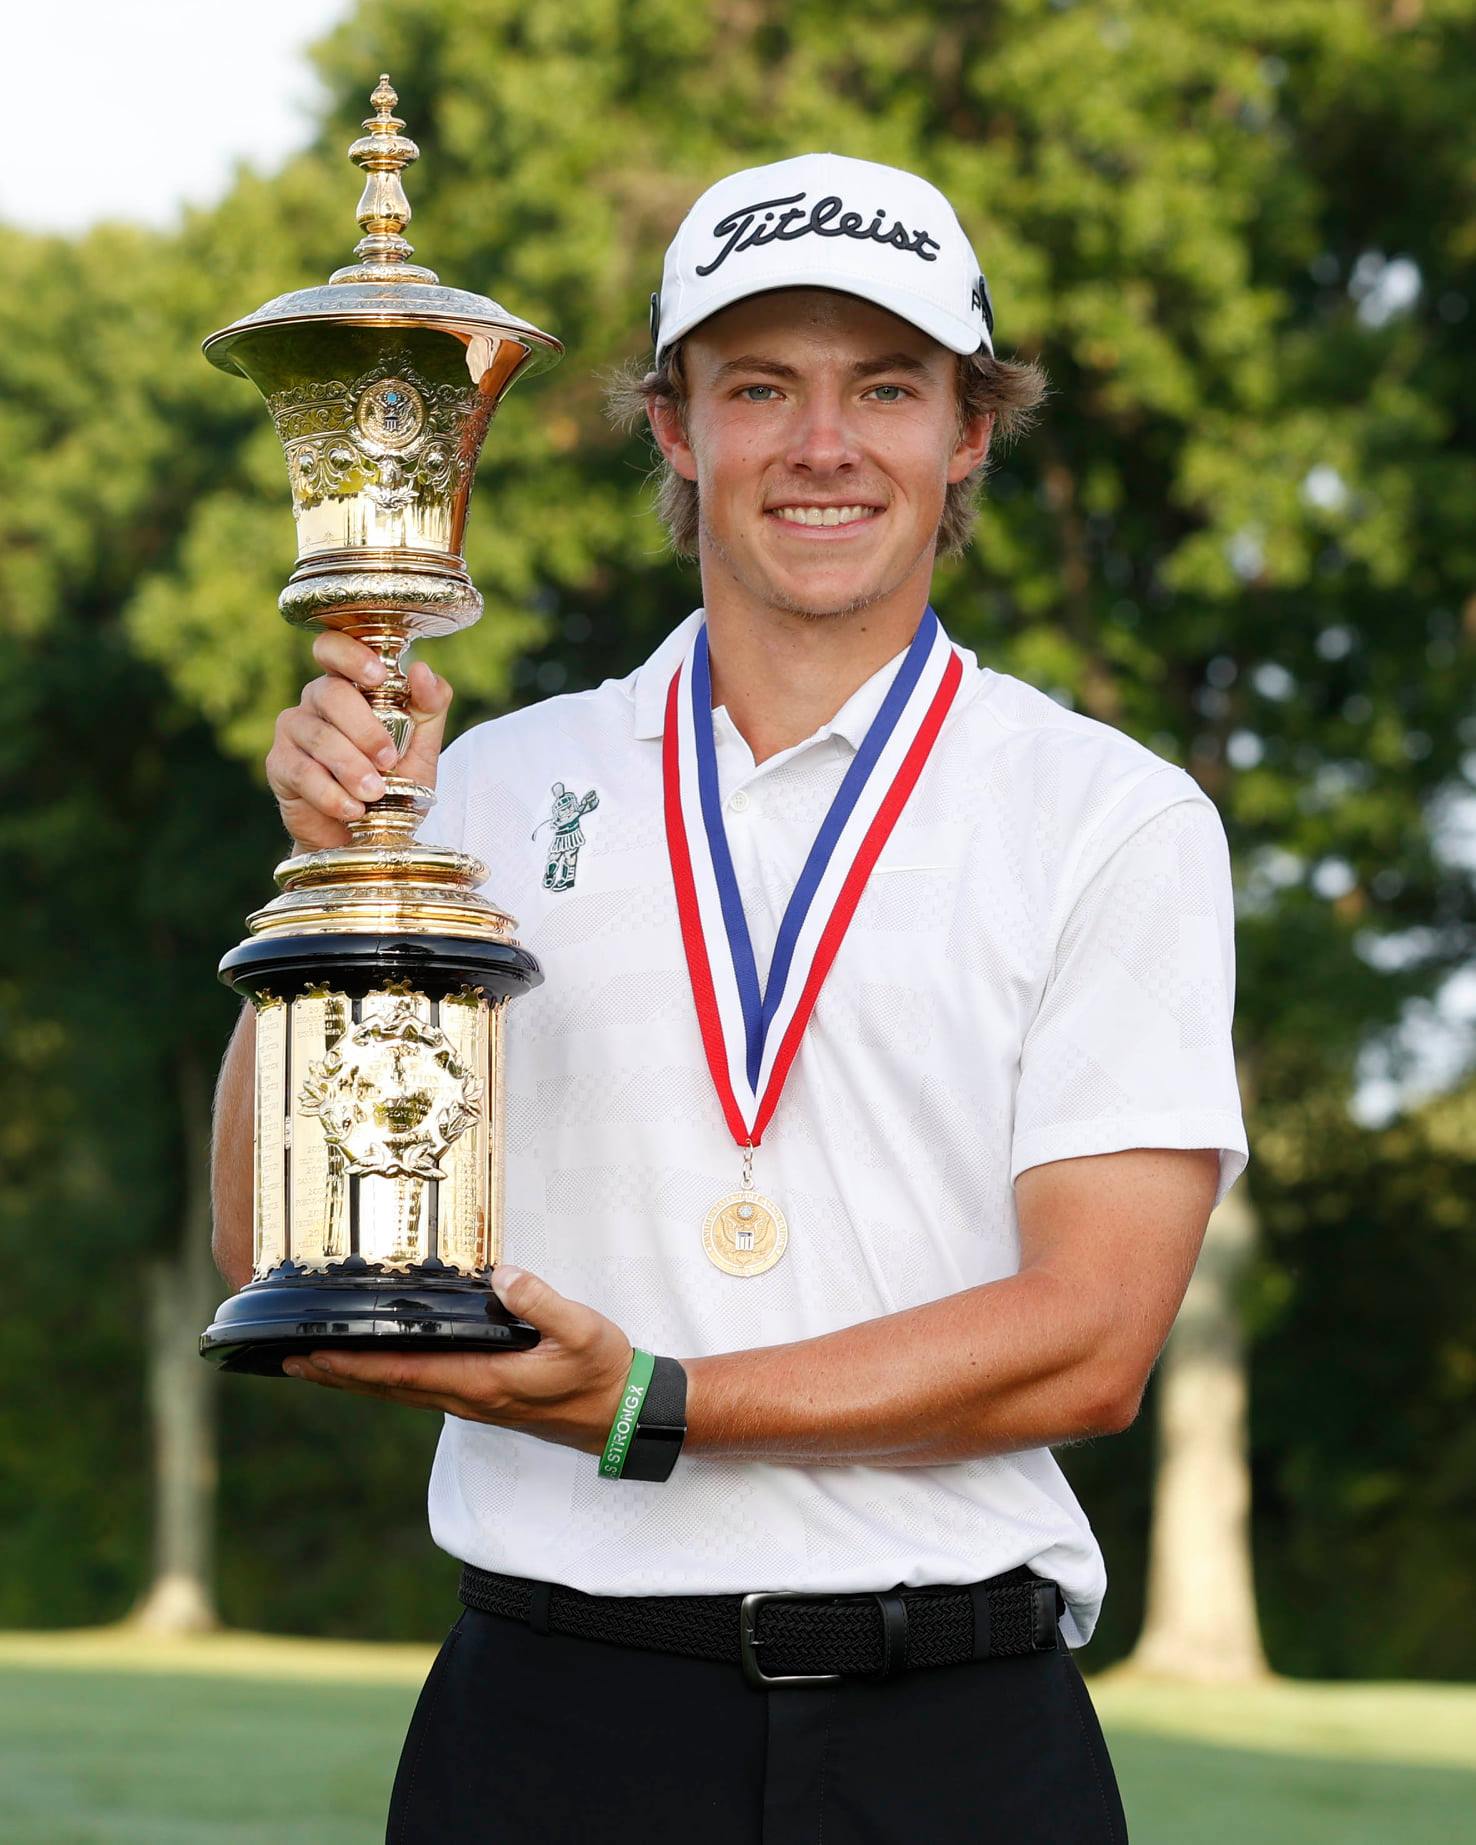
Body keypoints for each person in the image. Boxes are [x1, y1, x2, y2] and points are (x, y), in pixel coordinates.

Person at [210, 152, 1249, 1844]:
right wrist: (326, 866)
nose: (822, 443)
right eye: (759, 385)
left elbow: (1093, 1337)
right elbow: (277, 1249)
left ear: (968, 431)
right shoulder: (481, 788)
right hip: (549, 1722)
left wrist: (655, 1400)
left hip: (957, 1737)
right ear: (676, 425)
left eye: (886, 388)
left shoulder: (1111, 813)